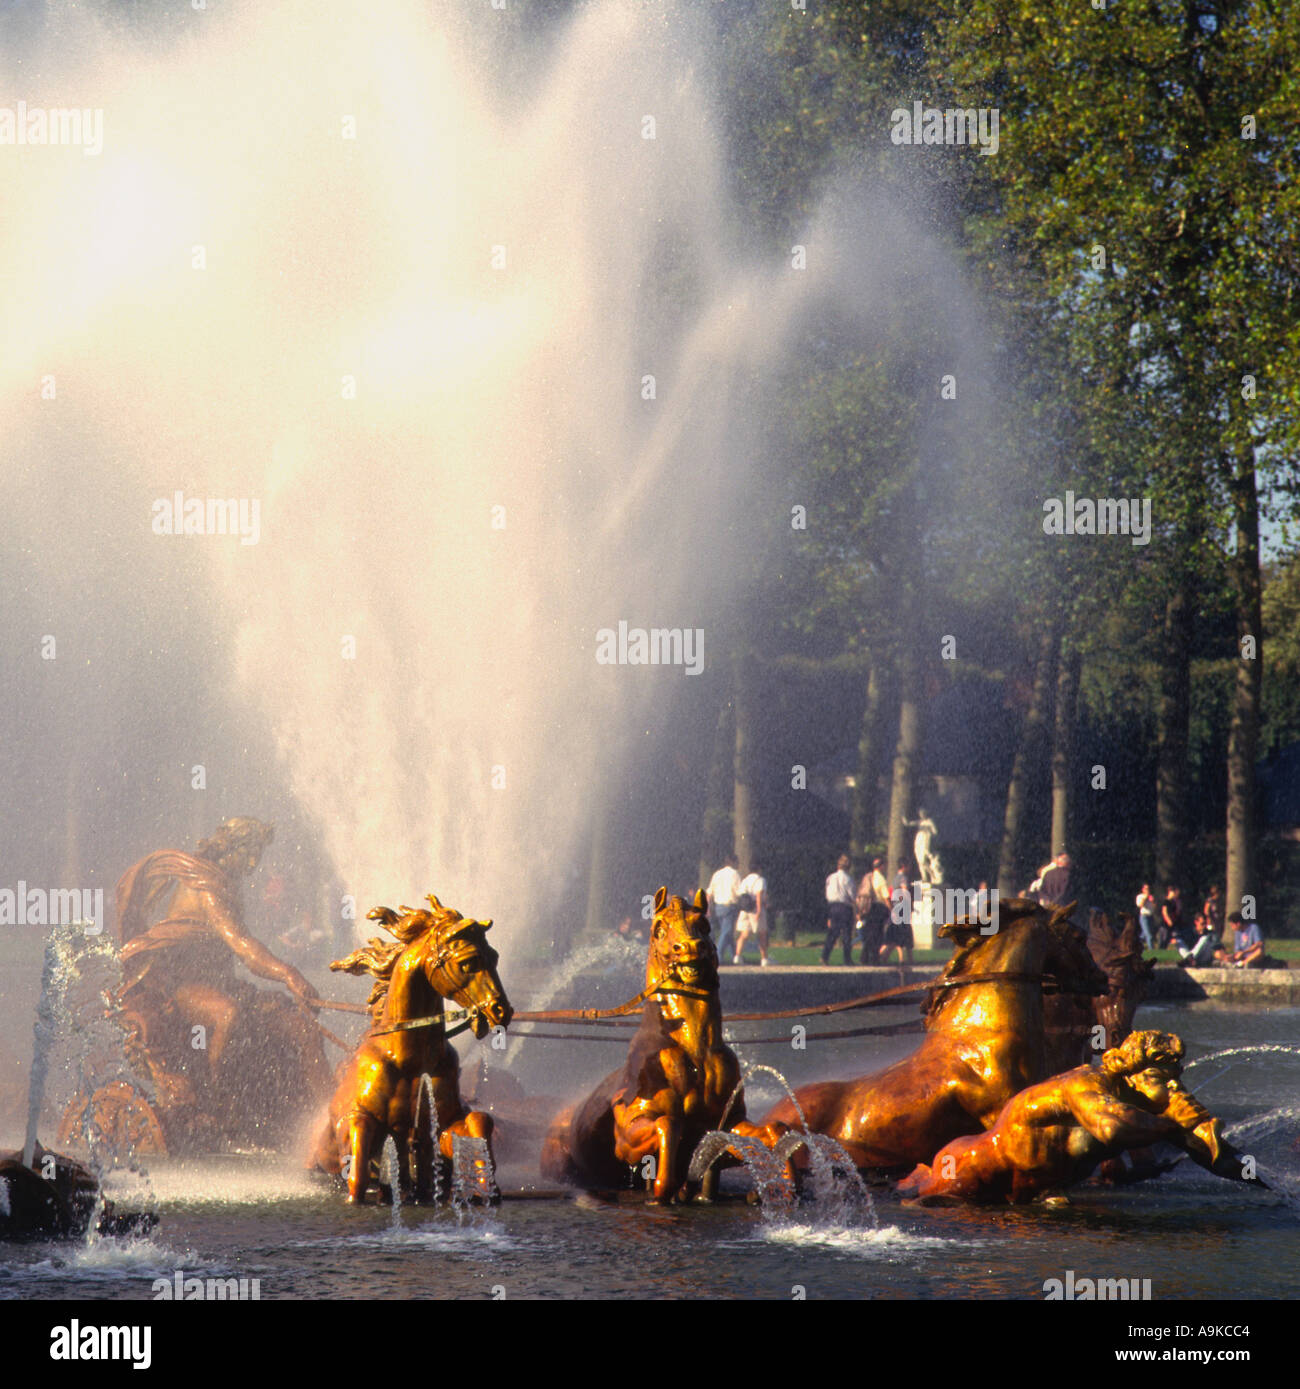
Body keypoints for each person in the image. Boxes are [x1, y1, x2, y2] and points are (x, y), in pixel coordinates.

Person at [897, 1030, 1252, 1205]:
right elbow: (1111, 1127)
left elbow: (1208, 1152)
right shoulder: (1087, 1084)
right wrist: (1174, 1126)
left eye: (1176, 1076)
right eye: (1165, 1077)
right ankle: (911, 1180)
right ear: (1135, 1073)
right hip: (969, 1167)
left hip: (1030, 1193)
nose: (1174, 1086)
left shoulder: (1142, 1102)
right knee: (924, 1203)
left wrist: (1263, 1180)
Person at [706, 853, 742, 964]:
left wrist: (707, 907)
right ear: (734, 862)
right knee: (726, 932)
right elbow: (738, 891)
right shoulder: (735, 874)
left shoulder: (717, 874)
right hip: (729, 905)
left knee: (728, 932)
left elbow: (709, 892)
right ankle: (717, 955)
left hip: (718, 906)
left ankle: (735, 956)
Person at [733, 861, 770, 966]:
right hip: (755, 908)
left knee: (744, 934)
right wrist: (759, 910)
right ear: (759, 869)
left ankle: (737, 956)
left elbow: (741, 894)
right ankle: (764, 958)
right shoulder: (760, 880)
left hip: (745, 909)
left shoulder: (745, 880)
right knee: (762, 934)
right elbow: (759, 895)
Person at [822, 854, 856, 966]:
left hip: (832, 906)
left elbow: (827, 893)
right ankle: (847, 959)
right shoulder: (848, 879)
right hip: (844, 907)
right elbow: (852, 895)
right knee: (846, 933)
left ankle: (825, 956)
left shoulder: (830, 877)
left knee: (832, 932)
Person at [855, 858, 890, 965]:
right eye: (884, 865)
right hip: (879, 907)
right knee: (878, 935)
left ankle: (864, 957)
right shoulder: (881, 879)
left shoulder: (869, 877)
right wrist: (891, 909)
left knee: (869, 934)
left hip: (869, 907)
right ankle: (875, 958)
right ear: (880, 866)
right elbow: (886, 897)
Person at [1160, 887, 1184, 952]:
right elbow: (1164, 912)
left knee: (1168, 938)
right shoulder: (1166, 901)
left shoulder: (1173, 902)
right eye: (1173, 892)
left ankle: (1163, 951)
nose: (1174, 894)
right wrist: (1168, 920)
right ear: (1169, 892)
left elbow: (1176, 912)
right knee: (1164, 938)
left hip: (1172, 923)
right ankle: (1160, 951)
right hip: (1166, 923)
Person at [1135, 883, 1157, 951]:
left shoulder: (1151, 897)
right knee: (1149, 935)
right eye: (1146, 889)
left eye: (1149, 889)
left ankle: (1136, 944)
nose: (1148, 890)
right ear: (1143, 889)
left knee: (1144, 935)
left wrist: (1153, 901)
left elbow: (1154, 907)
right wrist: (1145, 897)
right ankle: (1151, 951)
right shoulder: (1140, 896)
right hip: (1144, 917)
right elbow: (1140, 905)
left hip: (1150, 916)